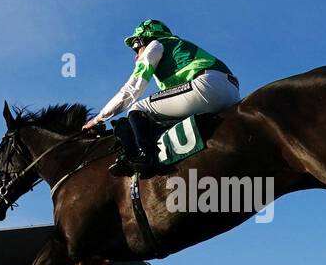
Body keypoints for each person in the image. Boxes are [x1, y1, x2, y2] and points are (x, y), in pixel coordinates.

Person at [83, 20, 240, 175]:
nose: (135, 56)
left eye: (135, 48)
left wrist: (97, 119)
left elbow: (132, 90)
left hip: (208, 87)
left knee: (137, 108)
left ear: (142, 40)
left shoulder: (155, 45)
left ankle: (145, 158)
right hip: (231, 92)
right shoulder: (174, 48)